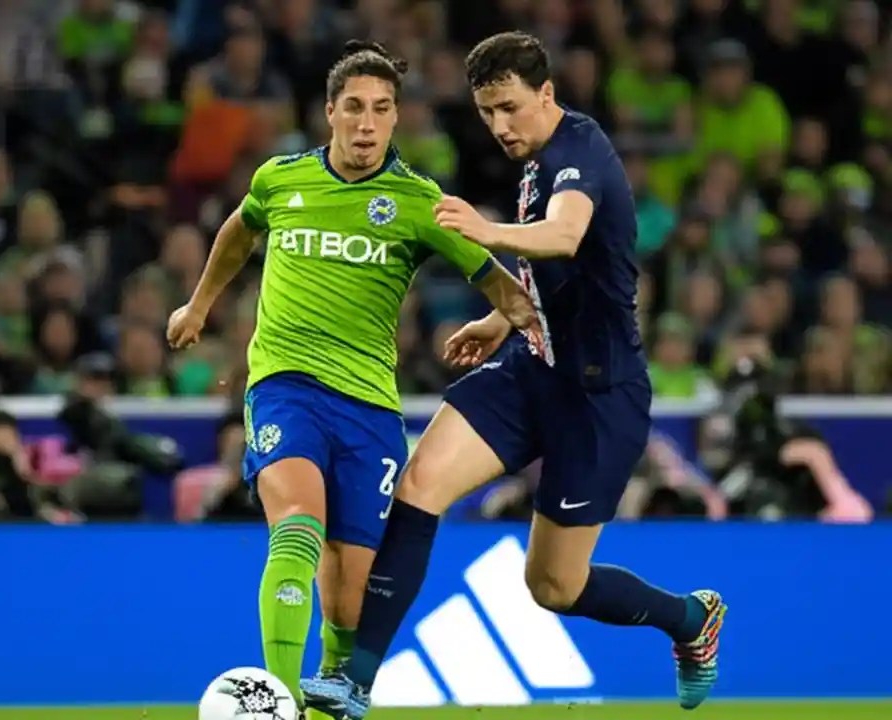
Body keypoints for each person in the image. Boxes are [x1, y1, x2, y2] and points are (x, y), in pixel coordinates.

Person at [301, 32, 726, 719]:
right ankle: (356, 683)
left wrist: (483, 230)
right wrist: (503, 320)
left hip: (598, 395)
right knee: (418, 484)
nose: (499, 126)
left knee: (554, 586)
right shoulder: (533, 160)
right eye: (487, 113)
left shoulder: (580, 153)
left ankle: (687, 620)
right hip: (531, 370)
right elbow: (559, 271)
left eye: (510, 108)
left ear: (547, 95)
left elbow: (564, 235)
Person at [167, 39, 534, 714]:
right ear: (330, 112)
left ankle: (331, 698)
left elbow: (506, 290)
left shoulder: (420, 203)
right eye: (356, 108)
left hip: (369, 409)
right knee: (298, 524)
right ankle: (273, 698)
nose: (368, 123)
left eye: (383, 109)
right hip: (285, 385)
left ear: (396, 119)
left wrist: (507, 322)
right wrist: (200, 303)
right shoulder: (281, 181)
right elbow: (238, 233)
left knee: (350, 587)